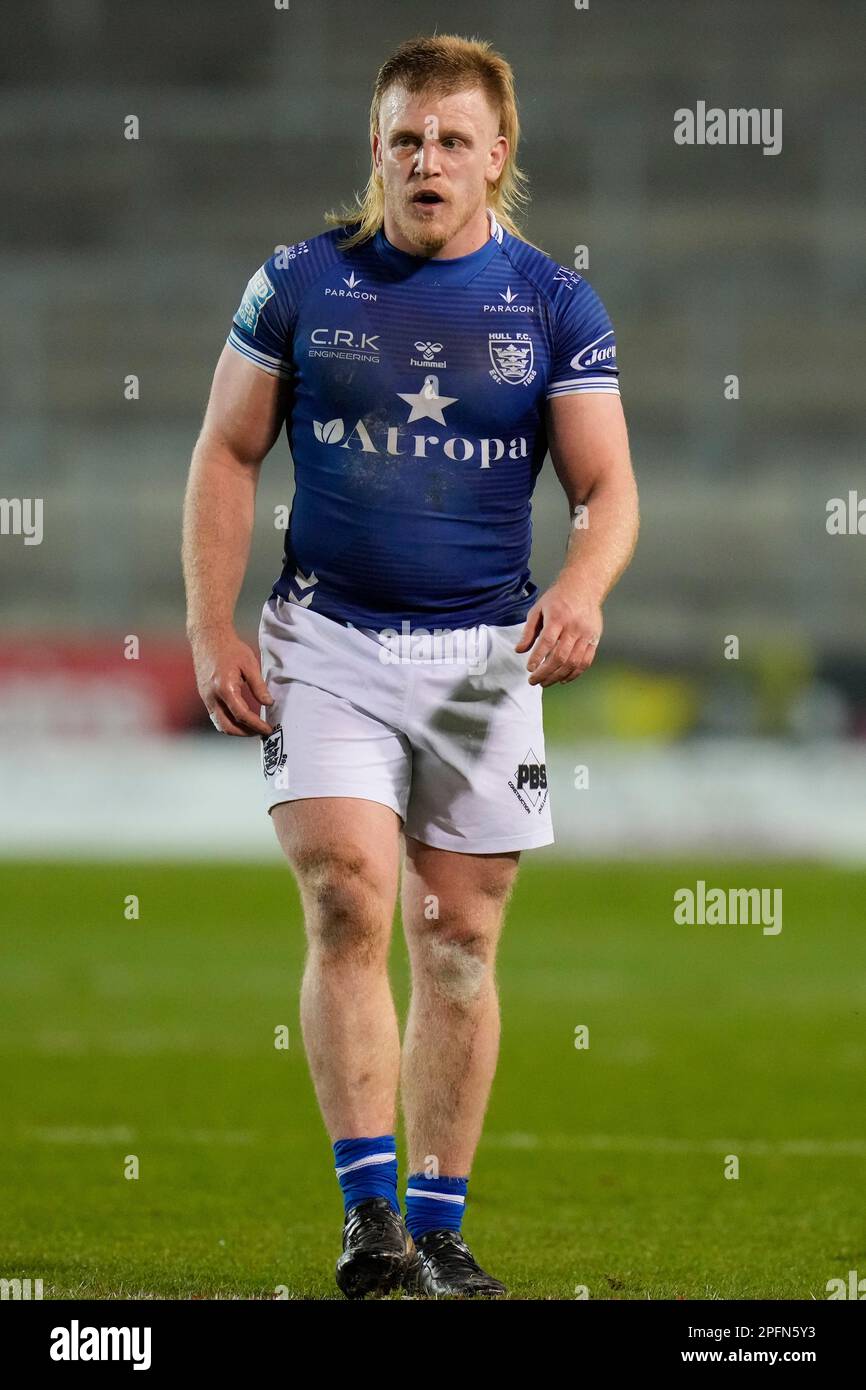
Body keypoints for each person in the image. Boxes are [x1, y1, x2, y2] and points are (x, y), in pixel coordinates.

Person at [182, 32, 639, 1299]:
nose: (426, 159)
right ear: (375, 151)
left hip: (480, 658)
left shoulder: (552, 306)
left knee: (456, 942)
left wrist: (580, 590)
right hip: (326, 638)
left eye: (450, 139)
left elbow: (605, 487)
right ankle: (368, 1217)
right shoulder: (298, 283)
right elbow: (226, 449)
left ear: (497, 155)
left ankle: (439, 1228)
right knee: (345, 894)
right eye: (404, 138)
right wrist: (211, 626)